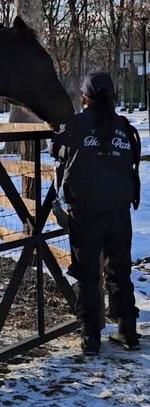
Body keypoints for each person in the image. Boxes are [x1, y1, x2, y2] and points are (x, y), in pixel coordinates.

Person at [51, 70, 141, 356]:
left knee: (87, 273)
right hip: (119, 209)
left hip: (85, 209)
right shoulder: (125, 127)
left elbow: (56, 150)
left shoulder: (76, 125)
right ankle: (127, 329)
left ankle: (90, 334)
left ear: (85, 97)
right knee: (120, 270)